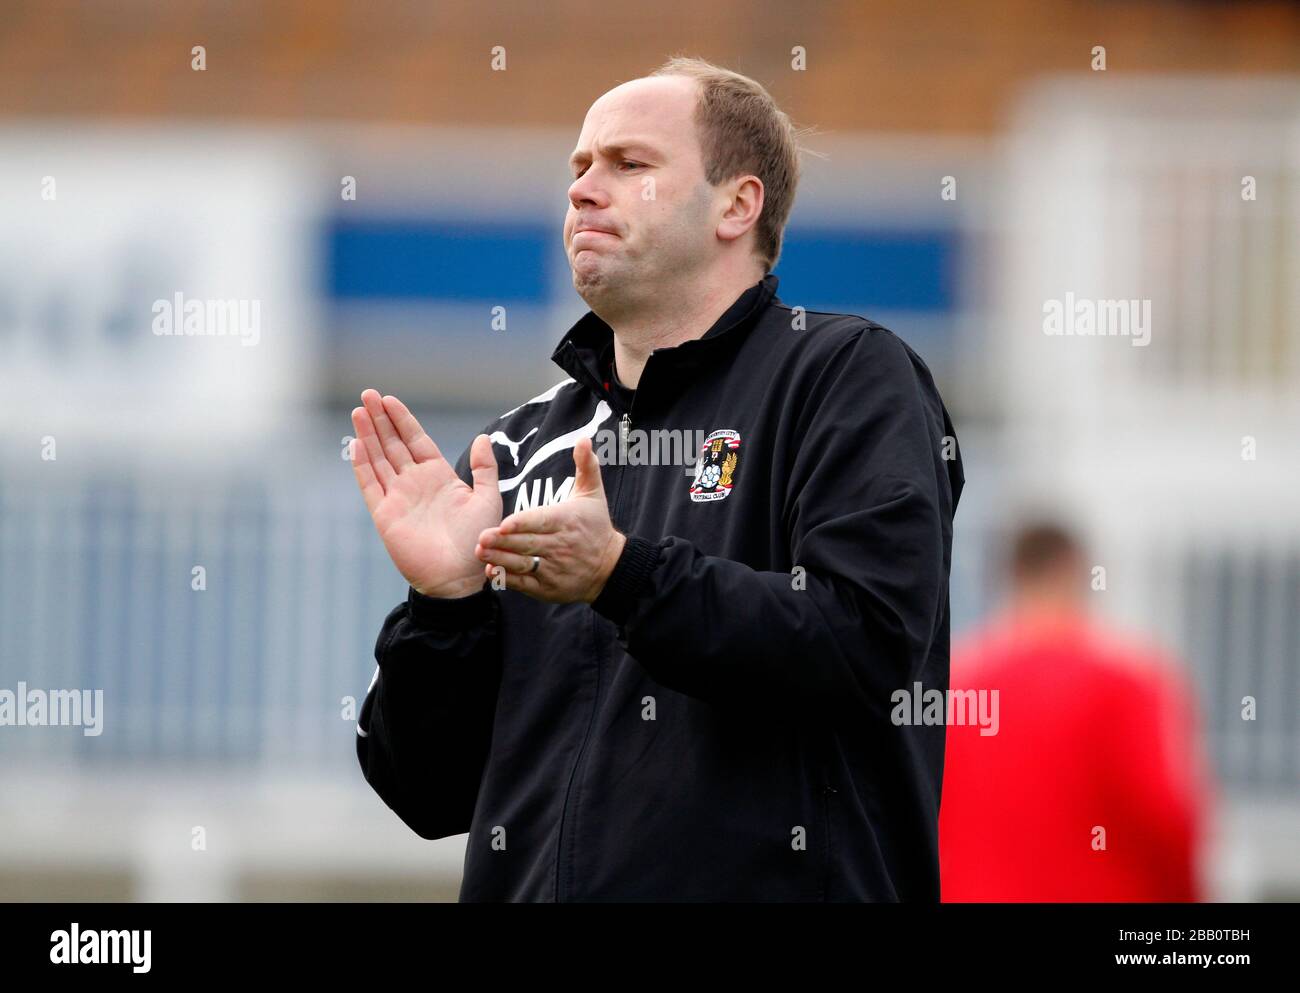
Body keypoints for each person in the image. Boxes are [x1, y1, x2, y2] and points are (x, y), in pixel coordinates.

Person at [351, 56, 964, 901]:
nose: (582, 190)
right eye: (578, 168)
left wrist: (623, 577)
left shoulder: (844, 376)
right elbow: (427, 793)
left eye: (628, 164)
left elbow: (864, 645)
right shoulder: (519, 446)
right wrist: (443, 607)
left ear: (736, 204)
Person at [939, 521, 1213, 901]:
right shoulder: (1128, 684)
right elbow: (1167, 817)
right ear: (1078, 572)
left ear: (1007, 577)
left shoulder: (956, 687)